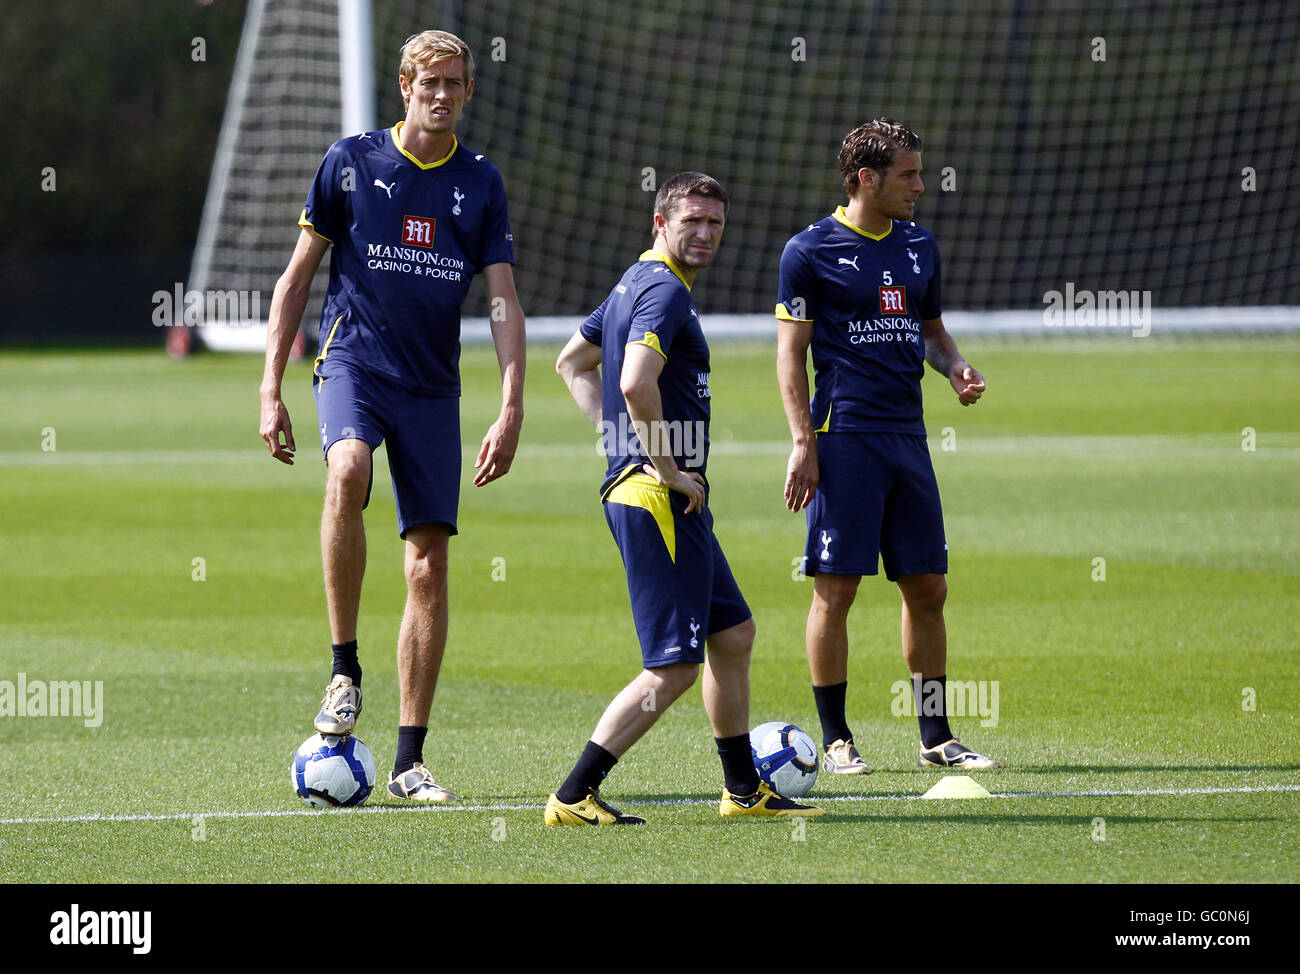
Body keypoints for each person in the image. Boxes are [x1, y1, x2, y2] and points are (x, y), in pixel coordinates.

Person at [258, 30, 525, 803]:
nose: (442, 95)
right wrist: (270, 386)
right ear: (404, 85)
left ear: (468, 93)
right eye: (429, 82)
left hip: (434, 389)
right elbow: (294, 281)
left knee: (429, 564)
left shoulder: (481, 183)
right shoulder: (350, 163)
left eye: (455, 84)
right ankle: (344, 668)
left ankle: (410, 760)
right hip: (354, 365)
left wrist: (511, 403)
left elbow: (502, 300)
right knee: (346, 467)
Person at [548, 172, 822, 824]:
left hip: (665, 496)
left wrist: (621, 445)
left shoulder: (630, 283)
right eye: (691, 221)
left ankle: (742, 789)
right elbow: (636, 381)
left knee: (733, 635)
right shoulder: (664, 291)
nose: (704, 234)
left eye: (715, 224)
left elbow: (569, 363)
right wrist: (662, 468)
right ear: (659, 223)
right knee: (671, 667)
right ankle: (573, 794)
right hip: (659, 499)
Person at [775, 118, 999, 774]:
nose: (920, 187)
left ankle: (936, 737)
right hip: (842, 438)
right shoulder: (808, 251)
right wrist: (801, 442)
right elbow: (789, 356)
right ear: (865, 178)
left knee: (928, 587)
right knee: (836, 589)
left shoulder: (919, 246)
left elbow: (930, 330)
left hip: (909, 437)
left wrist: (954, 365)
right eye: (907, 175)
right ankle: (838, 738)